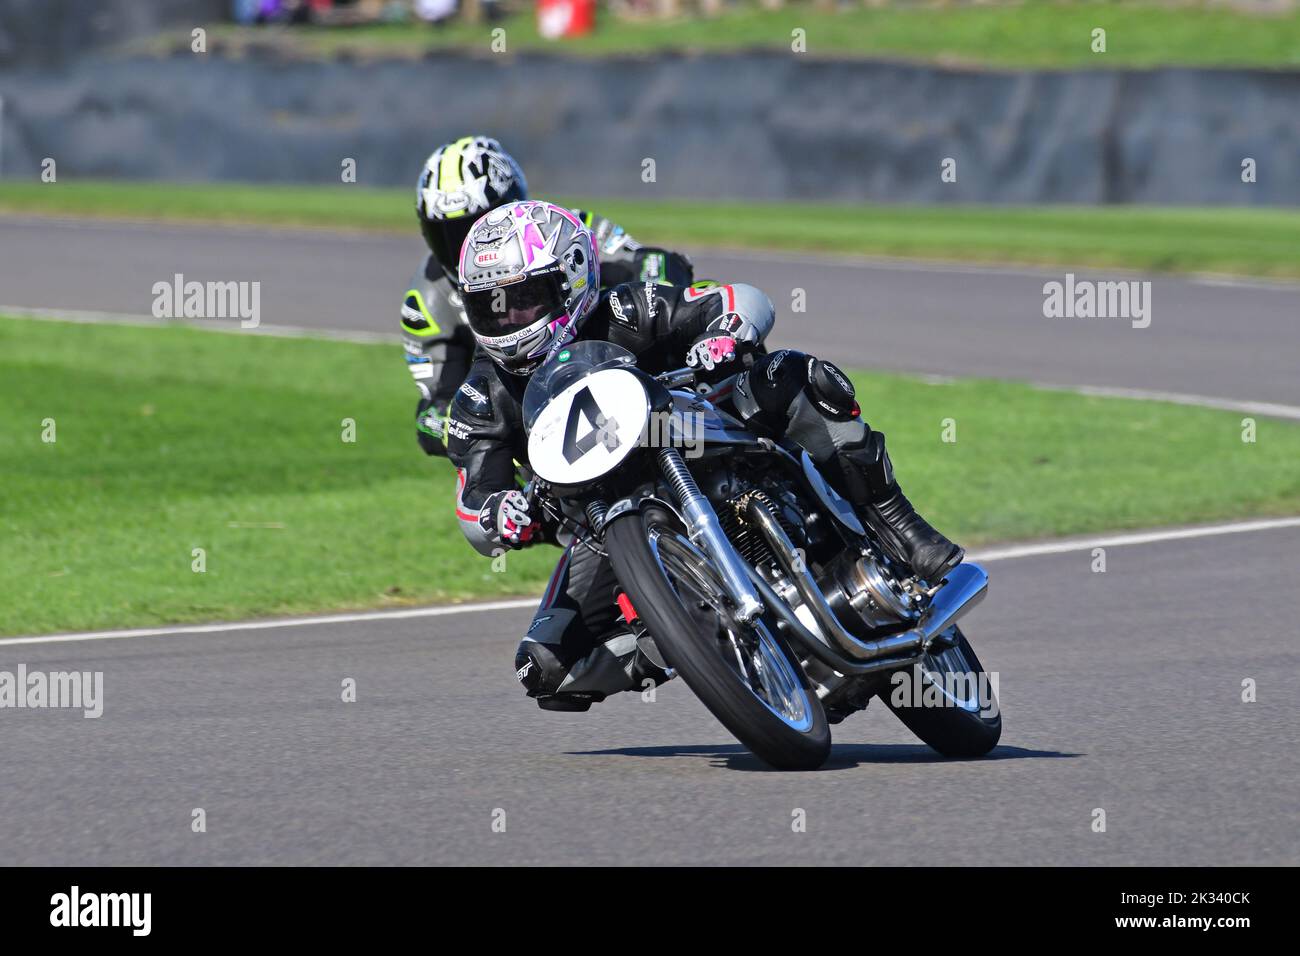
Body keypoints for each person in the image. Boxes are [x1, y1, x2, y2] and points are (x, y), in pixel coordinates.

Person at [447, 200, 964, 711]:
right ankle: (689, 640)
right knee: (545, 668)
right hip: (602, 521)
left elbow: (739, 298)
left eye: (524, 298)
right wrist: (499, 512)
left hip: (695, 432)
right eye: (488, 304)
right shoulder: (480, 397)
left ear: (572, 279)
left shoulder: (629, 308)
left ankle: (897, 521)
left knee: (793, 374)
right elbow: (474, 496)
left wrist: (723, 334)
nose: (507, 317)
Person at [402, 135, 693, 456]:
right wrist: (463, 426)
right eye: (448, 235)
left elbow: (655, 262)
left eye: (480, 224)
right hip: (533, 420)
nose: (473, 247)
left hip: (616, 366)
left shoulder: (563, 228)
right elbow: (433, 412)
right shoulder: (424, 301)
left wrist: (659, 300)